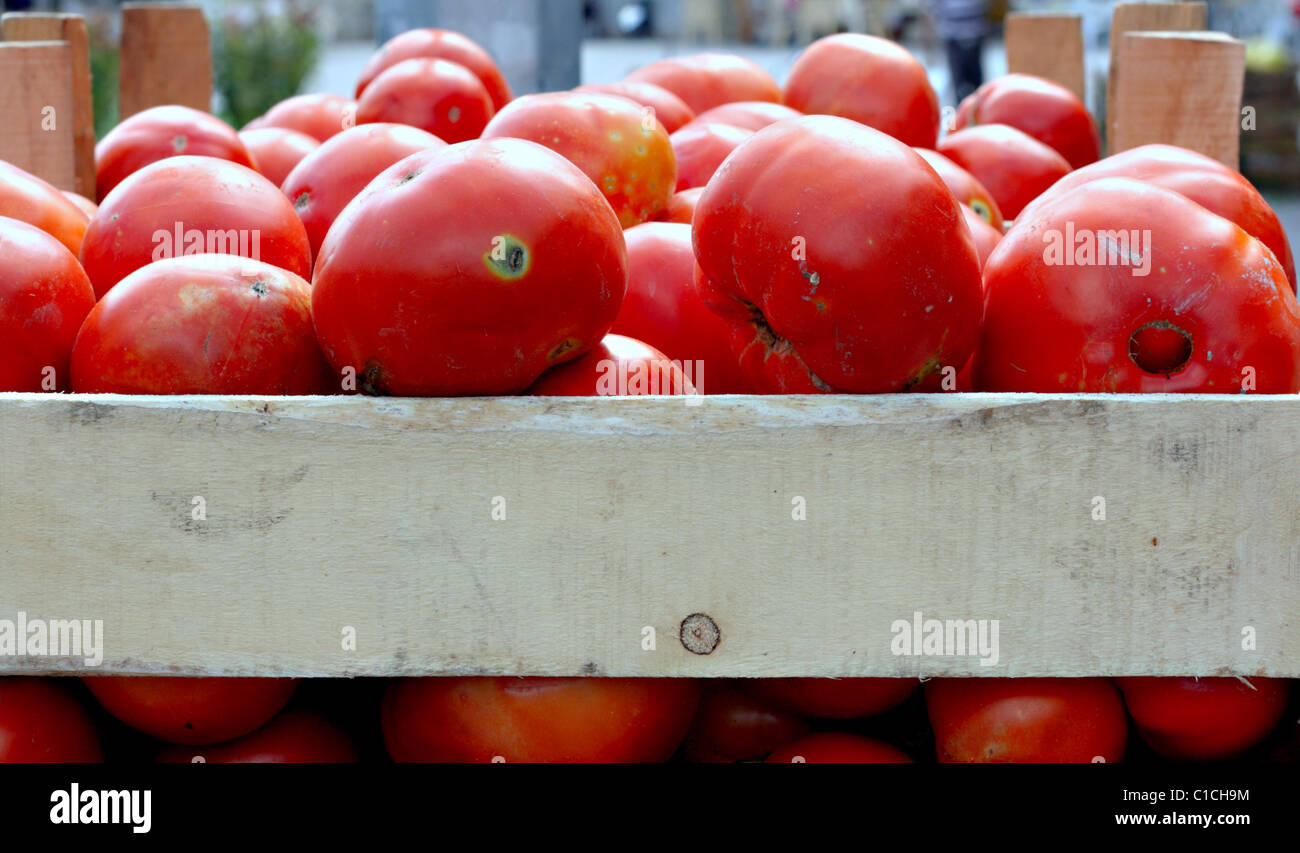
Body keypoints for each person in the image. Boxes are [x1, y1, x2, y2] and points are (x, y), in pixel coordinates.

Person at [928, 0, 990, 103]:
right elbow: (932, 10)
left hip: (976, 36)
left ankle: (980, 110)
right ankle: (961, 112)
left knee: (978, 81)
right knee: (958, 80)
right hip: (953, 38)